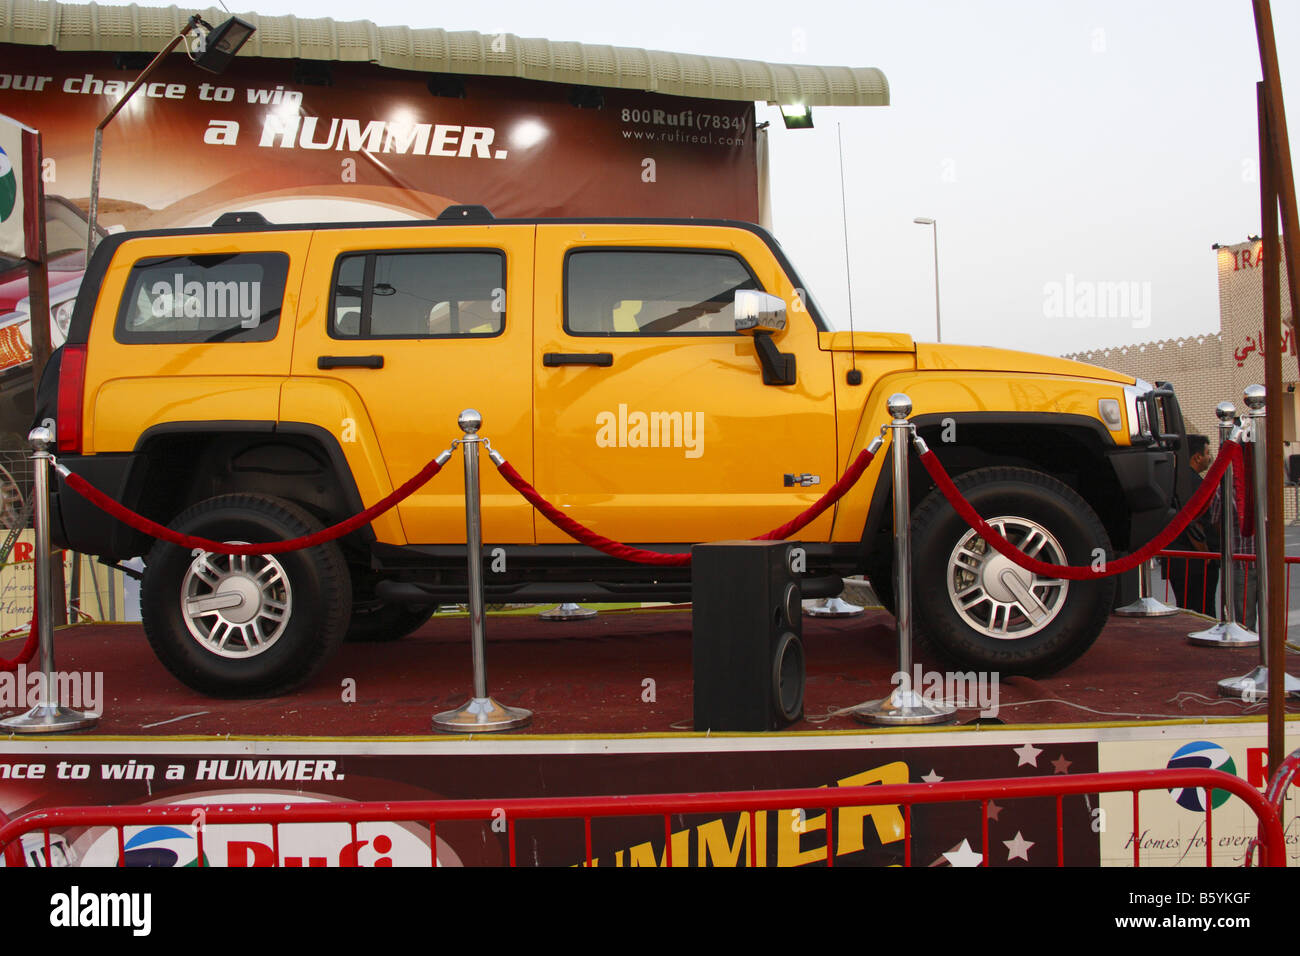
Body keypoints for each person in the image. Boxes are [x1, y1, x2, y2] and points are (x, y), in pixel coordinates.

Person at [1163, 434, 1220, 612]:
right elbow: (1201, 522)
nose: (1209, 458)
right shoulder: (1196, 484)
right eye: (1207, 453)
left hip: (1175, 558)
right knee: (1202, 609)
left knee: (1185, 607)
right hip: (1196, 560)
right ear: (1197, 457)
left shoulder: (1169, 479)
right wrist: (1209, 553)